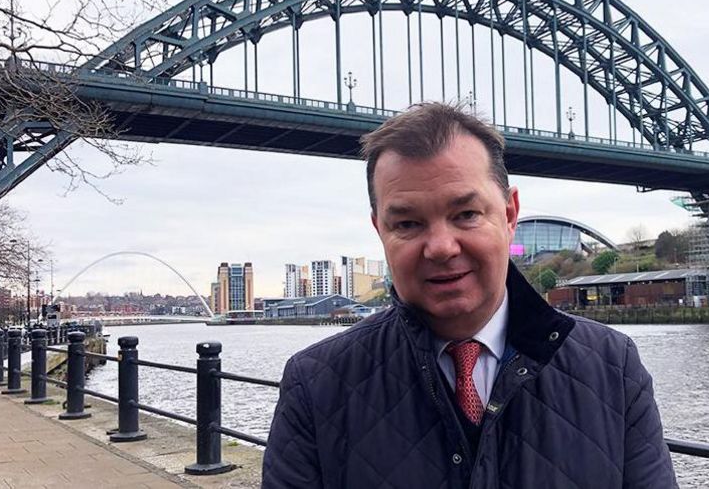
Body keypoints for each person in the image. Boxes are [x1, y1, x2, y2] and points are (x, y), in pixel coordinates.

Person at [262, 103, 677, 488]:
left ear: (510, 214)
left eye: (466, 214)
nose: (441, 247)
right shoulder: (316, 386)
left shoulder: (613, 368)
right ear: (379, 231)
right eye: (407, 223)